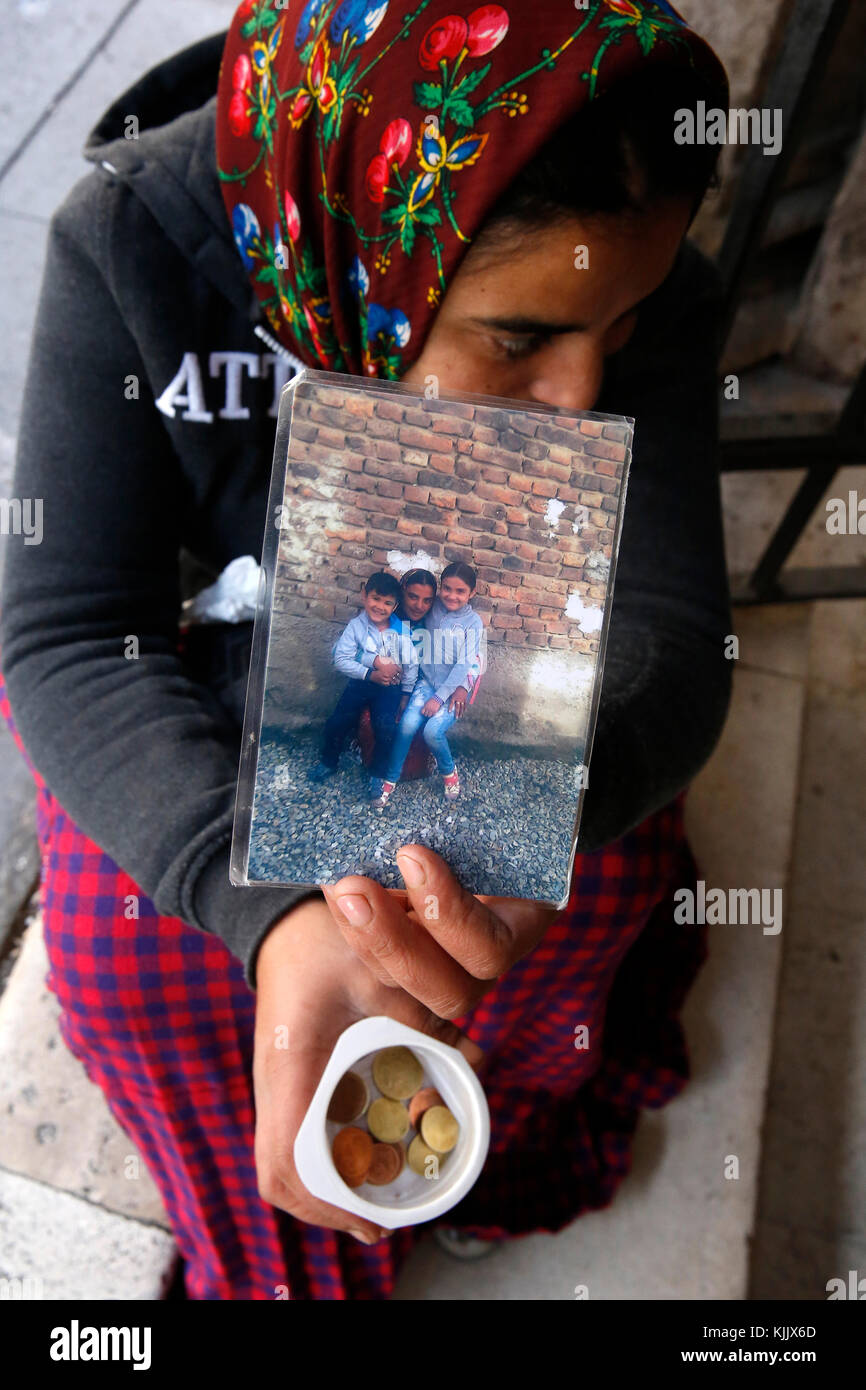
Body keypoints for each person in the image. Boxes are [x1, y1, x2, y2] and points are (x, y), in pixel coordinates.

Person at [0, 1, 732, 1299]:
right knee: (126, 960)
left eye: (613, 333)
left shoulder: (630, 270)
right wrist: (264, 906)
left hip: (496, 619)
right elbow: (66, 630)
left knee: (586, 900)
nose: (578, 400)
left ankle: (482, 1159)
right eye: (517, 340)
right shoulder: (134, 245)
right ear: (345, 260)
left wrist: (535, 806)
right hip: (210, 654)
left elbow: (670, 629)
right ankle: (275, 1240)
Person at [373, 562, 485, 807]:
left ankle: (449, 773)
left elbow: (469, 661)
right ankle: (389, 781)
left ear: (472, 593)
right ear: (440, 588)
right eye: (446, 588)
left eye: (460, 591)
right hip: (426, 683)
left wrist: (451, 692)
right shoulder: (432, 607)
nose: (452, 596)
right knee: (406, 726)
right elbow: (406, 611)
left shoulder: (473, 623)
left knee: (432, 731)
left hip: (451, 690)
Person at [308, 570, 417, 785]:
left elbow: (412, 664)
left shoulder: (402, 633)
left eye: (387, 603)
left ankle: (378, 774)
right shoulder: (356, 627)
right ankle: (329, 761)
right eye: (375, 598)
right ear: (364, 595)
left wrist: (406, 695)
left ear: (395, 607)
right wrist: (370, 673)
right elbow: (341, 658)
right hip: (360, 683)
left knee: (386, 726)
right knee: (337, 721)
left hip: (390, 689)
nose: (379, 607)